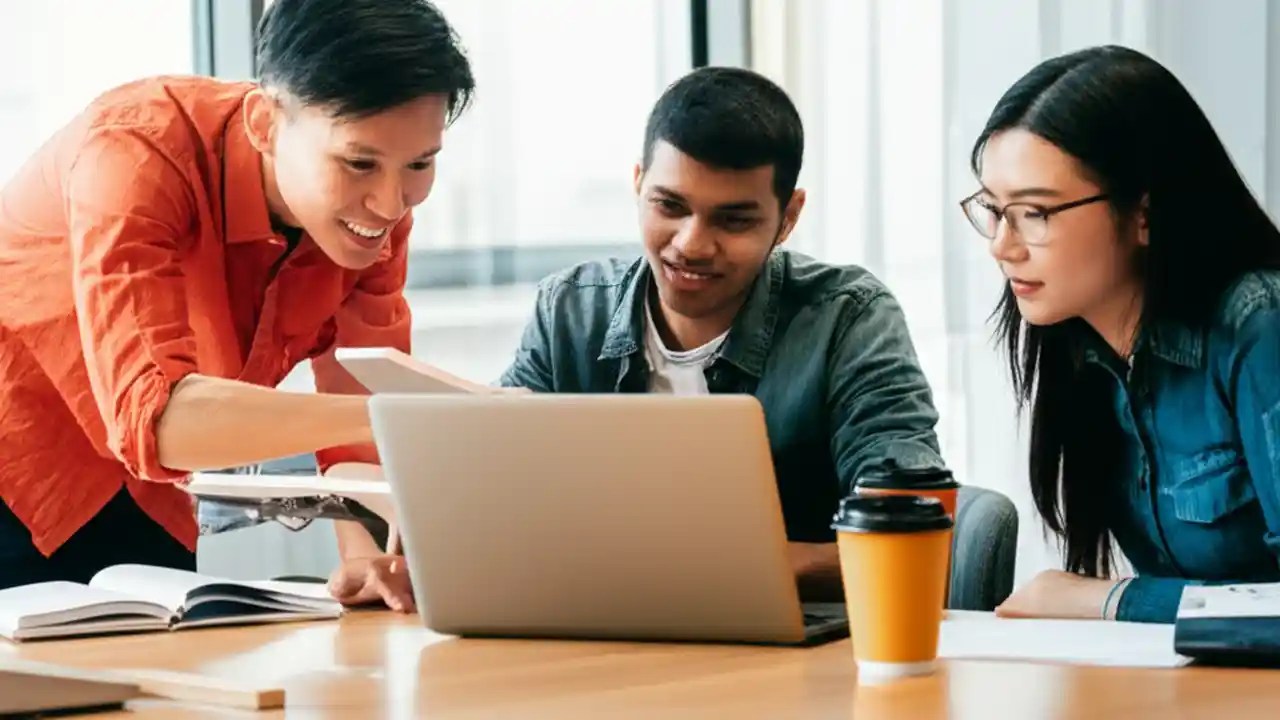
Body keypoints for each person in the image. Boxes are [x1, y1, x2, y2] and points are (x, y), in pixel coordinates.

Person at [330, 66, 948, 611]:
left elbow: (915, 536)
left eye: (734, 220)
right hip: (598, 648)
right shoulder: (571, 310)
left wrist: (751, 569)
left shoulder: (848, 320)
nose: (691, 243)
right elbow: (496, 487)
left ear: (788, 217)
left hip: (790, 657)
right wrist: (428, 562)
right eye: (669, 206)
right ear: (637, 185)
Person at [0, 0, 473, 592]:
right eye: (358, 162)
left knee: (158, 680)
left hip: (152, 492)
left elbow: (362, 387)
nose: (391, 202)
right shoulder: (134, 151)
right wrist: (396, 418)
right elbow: (159, 420)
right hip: (16, 459)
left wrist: (363, 556)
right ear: (266, 124)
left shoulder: (372, 217)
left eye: (420, 164)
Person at [960, 45, 1280, 623]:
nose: (1001, 246)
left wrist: (1110, 599)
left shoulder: (1261, 326)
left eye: (1035, 213)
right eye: (993, 209)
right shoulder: (1082, 348)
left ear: (1145, 215)